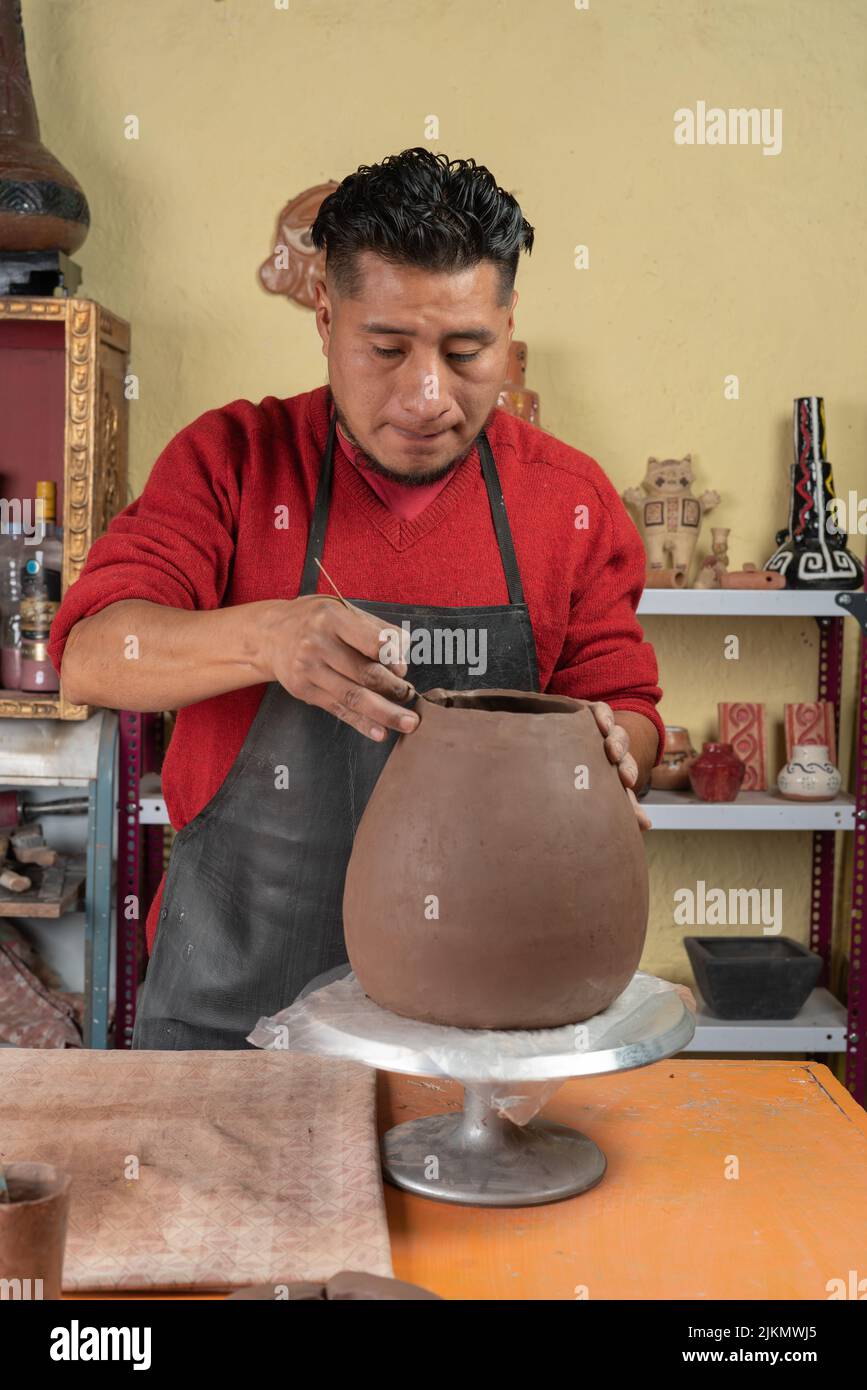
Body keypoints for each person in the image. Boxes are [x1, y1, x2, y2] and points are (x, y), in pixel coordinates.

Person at [51, 148, 668, 1049]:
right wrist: (266, 639)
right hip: (236, 1019)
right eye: (385, 349)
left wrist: (613, 749)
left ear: (508, 325)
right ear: (326, 319)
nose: (426, 397)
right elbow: (94, 655)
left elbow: (628, 707)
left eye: (467, 352)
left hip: (477, 1026)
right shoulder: (232, 461)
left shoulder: (567, 501)